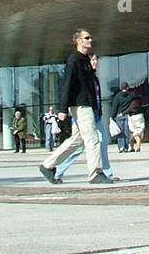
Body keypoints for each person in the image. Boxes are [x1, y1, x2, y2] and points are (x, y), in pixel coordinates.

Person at [39, 29, 111, 185]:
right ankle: (95, 173)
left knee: (77, 140)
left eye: (90, 37)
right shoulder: (74, 60)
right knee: (92, 139)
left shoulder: (85, 59)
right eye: (87, 38)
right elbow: (67, 84)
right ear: (79, 41)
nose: (90, 40)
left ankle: (47, 165)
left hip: (87, 106)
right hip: (80, 105)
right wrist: (62, 109)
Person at [110, 82, 133, 152]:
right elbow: (137, 97)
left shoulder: (117, 96)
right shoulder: (130, 95)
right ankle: (126, 147)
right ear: (127, 87)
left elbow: (114, 106)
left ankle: (121, 147)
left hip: (118, 115)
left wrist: (111, 116)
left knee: (120, 132)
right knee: (126, 132)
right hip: (126, 114)